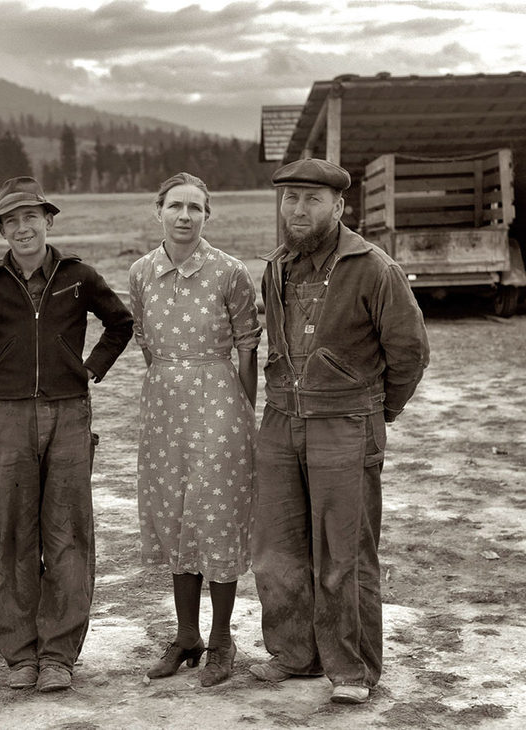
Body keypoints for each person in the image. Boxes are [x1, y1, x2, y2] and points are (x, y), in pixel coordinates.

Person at [250, 158, 429, 704]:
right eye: (290, 199)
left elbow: (410, 352)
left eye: (311, 199)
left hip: (346, 425)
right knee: (277, 552)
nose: (298, 210)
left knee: (344, 555)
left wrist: (376, 410)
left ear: (338, 206)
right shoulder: (278, 266)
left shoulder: (372, 267)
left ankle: (351, 670)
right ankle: (295, 654)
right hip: (281, 420)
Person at [0, 176, 133, 692]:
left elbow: (120, 323)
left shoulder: (78, 276)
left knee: (68, 534)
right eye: (12, 221)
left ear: (48, 220)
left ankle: (58, 654)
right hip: (9, 419)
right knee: (16, 535)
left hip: (70, 415)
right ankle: (20, 654)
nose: (23, 228)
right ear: (1, 230)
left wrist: (90, 368)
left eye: (31, 217)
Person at [128, 172, 261, 687]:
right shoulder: (141, 272)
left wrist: (244, 410)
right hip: (163, 405)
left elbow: (247, 345)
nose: (185, 216)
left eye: (195, 208)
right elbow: (145, 341)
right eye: (176, 206)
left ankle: (223, 637)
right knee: (174, 513)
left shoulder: (230, 271)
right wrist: (171, 377)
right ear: (157, 210)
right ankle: (187, 635)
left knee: (217, 513)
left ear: (208, 215)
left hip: (221, 402)